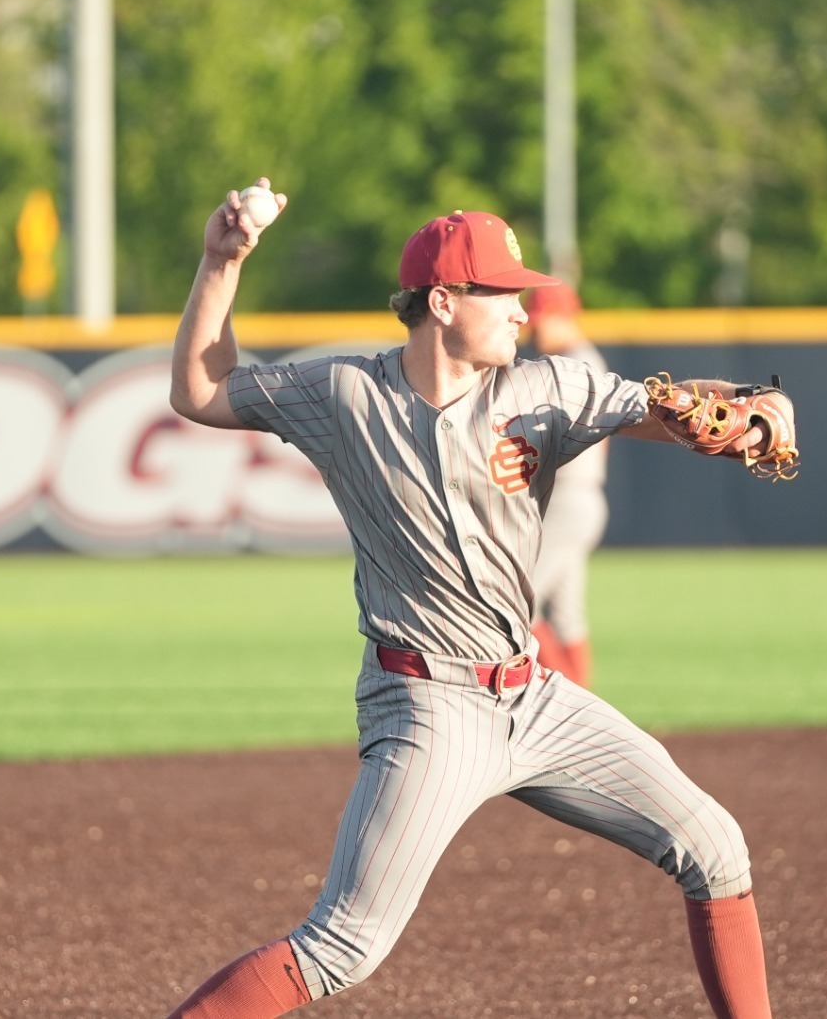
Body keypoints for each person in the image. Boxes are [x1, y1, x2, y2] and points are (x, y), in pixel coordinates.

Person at [165, 182, 775, 1018]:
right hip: (428, 706)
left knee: (717, 848)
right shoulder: (347, 395)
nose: (523, 312)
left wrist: (746, 409)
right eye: (504, 295)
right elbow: (200, 392)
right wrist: (220, 261)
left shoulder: (547, 390)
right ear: (444, 302)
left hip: (537, 698)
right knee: (343, 945)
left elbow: (661, 404)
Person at [522, 282, 607, 687]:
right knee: (566, 612)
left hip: (568, 499)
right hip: (580, 498)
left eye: (542, 321)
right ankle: (585, 703)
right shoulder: (579, 359)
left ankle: (571, 702)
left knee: (520, 605)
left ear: (564, 317)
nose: (535, 332)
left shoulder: (573, 366)